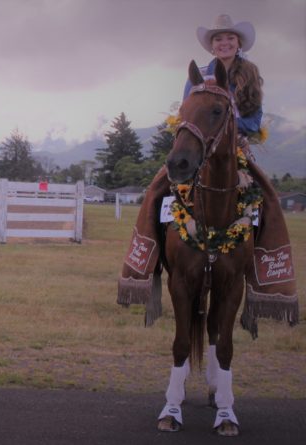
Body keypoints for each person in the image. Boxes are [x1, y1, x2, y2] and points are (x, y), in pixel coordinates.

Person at [118, 12, 298, 408]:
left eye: (229, 38)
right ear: (212, 44)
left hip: (234, 145)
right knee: (157, 190)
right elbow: (187, 111)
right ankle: (145, 262)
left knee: (266, 197)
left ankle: (267, 271)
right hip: (199, 142)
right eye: (218, 39)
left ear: (238, 43)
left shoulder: (250, 75)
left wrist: (236, 130)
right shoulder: (197, 75)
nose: (224, 43)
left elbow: (255, 117)